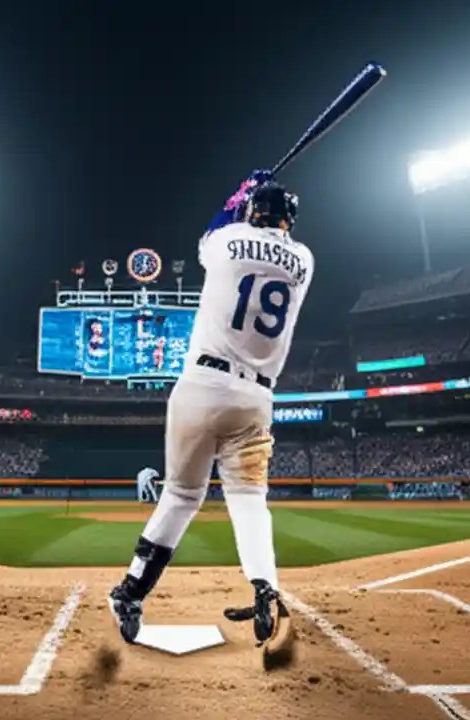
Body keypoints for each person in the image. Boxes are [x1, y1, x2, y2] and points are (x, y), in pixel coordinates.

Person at [109, 170, 311, 664]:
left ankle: (131, 594)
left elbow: (213, 231)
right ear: (289, 220)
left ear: (253, 212)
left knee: (181, 496)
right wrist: (252, 201)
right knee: (249, 499)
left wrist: (238, 194)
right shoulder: (305, 261)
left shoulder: (228, 239)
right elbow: (262, 239)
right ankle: (265, 589)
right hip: (256, 398)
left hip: (202, 384)